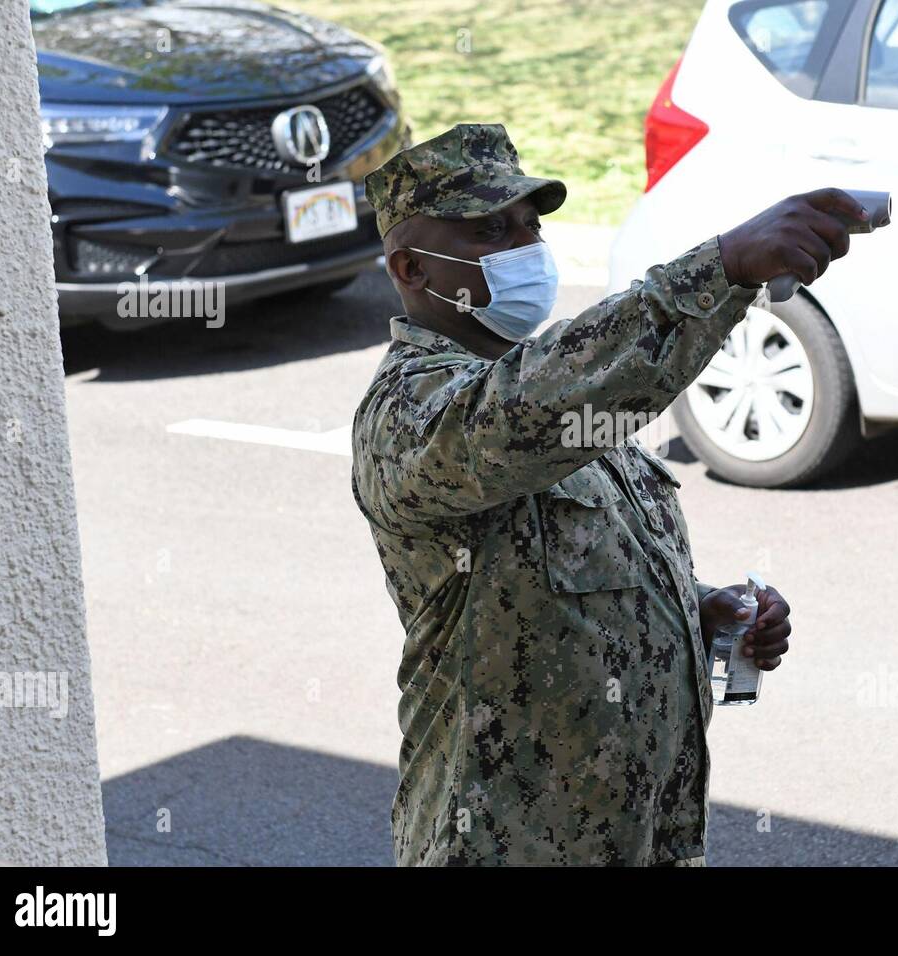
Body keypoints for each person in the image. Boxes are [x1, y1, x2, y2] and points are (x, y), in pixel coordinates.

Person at [353, 123, 863, 865]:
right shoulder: (413, 411)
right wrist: (722, 268)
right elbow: (532, 412)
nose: (524, 246)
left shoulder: (545, 380)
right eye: (489, 230)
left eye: (530, 225)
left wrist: (700, 608)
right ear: (411, 267)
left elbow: (569, 564)